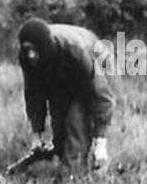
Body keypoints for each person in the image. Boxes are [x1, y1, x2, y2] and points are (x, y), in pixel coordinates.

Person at [16, 17, 116, 172]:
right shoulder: (27, 58)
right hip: (62, 74)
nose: (31, 56)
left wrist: (101, 142)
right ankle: (66, 160)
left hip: (95, 57)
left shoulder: (76, 52)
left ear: (44, 46)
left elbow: (101, 96)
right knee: (60, 133)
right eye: (27, 50)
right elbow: (34, 94)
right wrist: (37, 134)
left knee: (75, 124)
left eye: (34, 51)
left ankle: (76, 176)